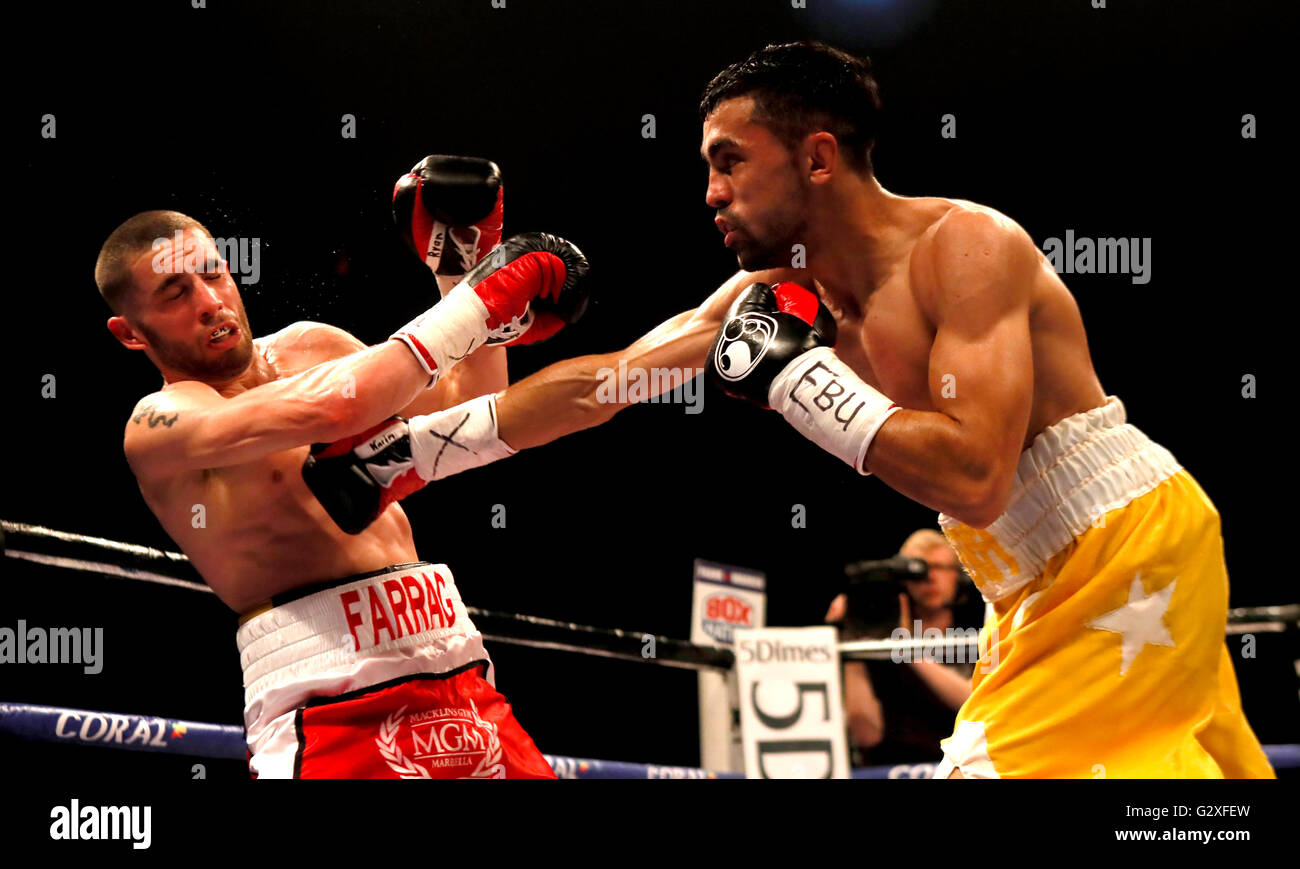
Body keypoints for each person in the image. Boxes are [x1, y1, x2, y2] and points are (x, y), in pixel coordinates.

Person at [386, 41, 1272, 778]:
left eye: (729, 161)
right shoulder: (769, 290)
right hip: (1027, 583)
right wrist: (405, 455)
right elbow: (607, 382)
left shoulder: (966, 248)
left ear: (816, 156)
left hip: (1127, 548)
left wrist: (803, 382)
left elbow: (973, 475)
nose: (710, 193)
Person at [97, 156, 590, 778]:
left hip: (451, 658)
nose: (210, 301)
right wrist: (479, 300)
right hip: (324, 698)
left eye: (213, 274)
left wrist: (458, 270)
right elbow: (334, 407)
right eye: (176, 294)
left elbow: (469, 407)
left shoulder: (312, 345)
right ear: (129, 334)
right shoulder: (160, 424)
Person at [825, 530, 976, 767]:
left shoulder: (972, 640)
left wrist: (909, 649)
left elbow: (974, 700)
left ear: (959, 577)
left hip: (957, 769)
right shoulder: (879, 643)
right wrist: (851, 639)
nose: (929, 578)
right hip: (886, 769)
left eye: (939, 567)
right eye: (918, 570)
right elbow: (865, 734)